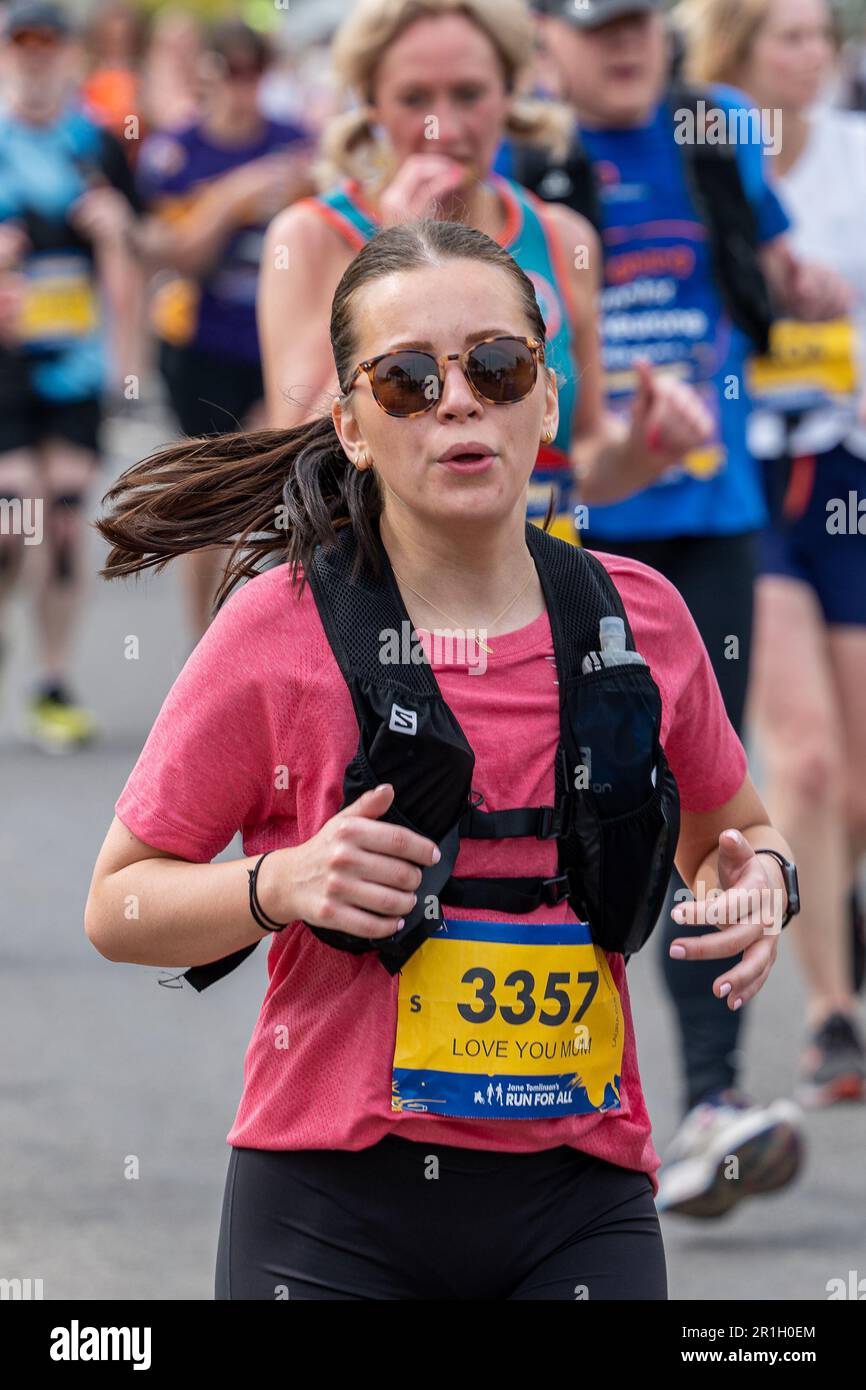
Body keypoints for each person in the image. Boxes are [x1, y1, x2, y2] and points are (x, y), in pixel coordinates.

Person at [85, 220, 798, 1301]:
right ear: (352, 425)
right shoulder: (276, 631)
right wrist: (280, 882)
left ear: (546, 401)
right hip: (328, 1203)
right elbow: (117, 906)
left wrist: (762, 887)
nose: (459, 400)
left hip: (579, 1196)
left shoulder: (636, 619)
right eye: (408, 380)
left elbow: (732, 837)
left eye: (497, 367)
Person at [513, 0, 849, 1217]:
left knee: (704, 795)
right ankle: (515, 1103)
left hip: (710, 518)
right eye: (598, 26)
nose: (625, 44)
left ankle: (705, 1102)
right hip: (569, 524)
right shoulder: (526, 156)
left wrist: (793, 284)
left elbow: (753, 263)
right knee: (558, 804)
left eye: (641, 21)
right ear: (545, 37)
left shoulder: (709, 127)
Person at [258, 0, 715, 546]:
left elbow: (580, 455)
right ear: (372, 105)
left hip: (539, 582)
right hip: (381, 587)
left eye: (469, 94)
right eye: (413, 98)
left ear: (509, 93)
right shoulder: (314, 235)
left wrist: (646, 447)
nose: (443, 125)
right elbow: (296, 457)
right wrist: (395, 250)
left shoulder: (561, 238)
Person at [681, 0, 866, 1105]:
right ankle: (832, 1016)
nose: (815, 54)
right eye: (788, 35)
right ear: (735, 55)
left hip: (845, 471)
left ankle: (836, 891)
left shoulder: (855, 158)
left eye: (820, 36)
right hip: (746, 481)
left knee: (855, 786)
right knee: (798, 758)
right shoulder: (706, 158)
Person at [135, 20, 314, 639]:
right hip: (201, 344)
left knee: (272, 493)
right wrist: (233, 197)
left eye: (253, 74)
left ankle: (271, 640)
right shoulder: (176, 152)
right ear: (207, 75)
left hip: (275, 343)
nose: (242, 89)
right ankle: (202, 645)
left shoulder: (296, 142)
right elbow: (175, 256)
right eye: (230, 73)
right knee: (205, 506)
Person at [0, 0, 141, 750]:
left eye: (48, 43)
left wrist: (117, 230)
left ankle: (52, 679)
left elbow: (139, 244)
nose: (34, 56)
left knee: (59, 520)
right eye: (21, 43)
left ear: (68, 53)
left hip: (78, 362)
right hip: (5, 364)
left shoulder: (94, 140)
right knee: (11, 508)